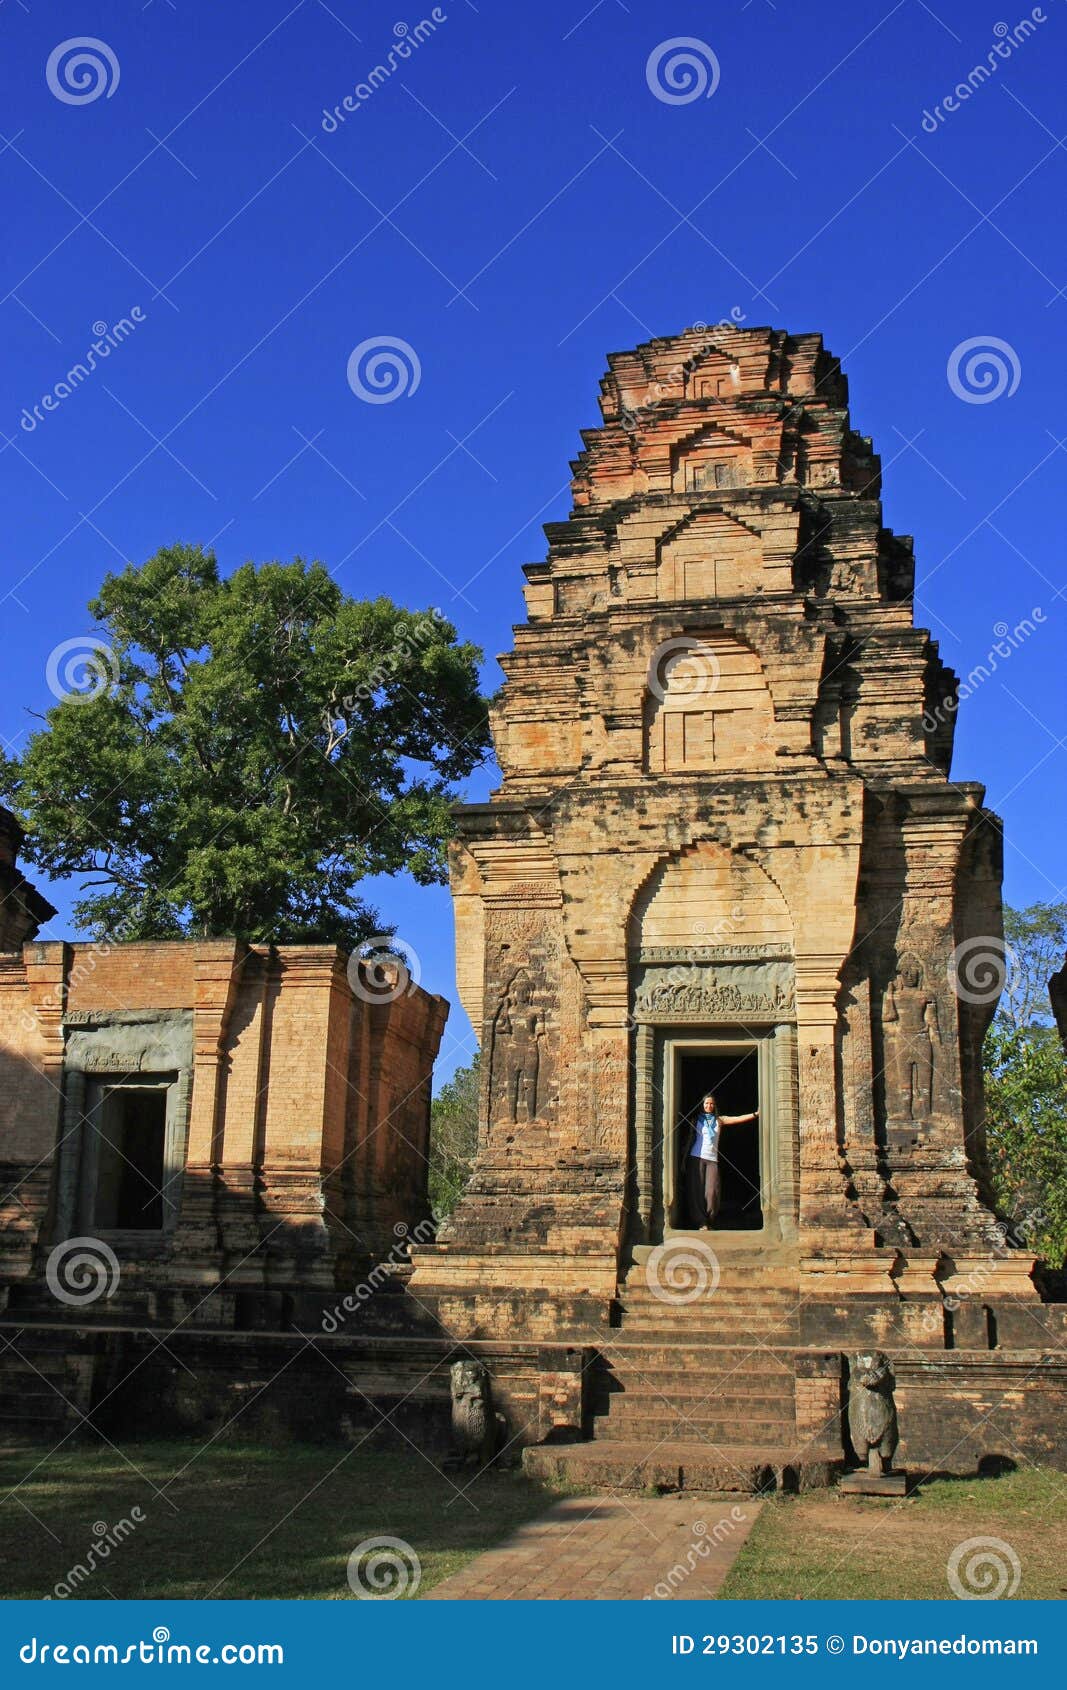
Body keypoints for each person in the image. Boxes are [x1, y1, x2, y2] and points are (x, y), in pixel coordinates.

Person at [684, 1091, 758, 1230]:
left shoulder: (719, 1120)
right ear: (702, 1105)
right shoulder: (695, 1120)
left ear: (714, 1105)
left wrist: (755, 1114)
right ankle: (701, 1222)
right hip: (696, 1158)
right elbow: (689, 1141)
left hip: (712, 1160)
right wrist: (683, 1161)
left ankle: (710, 1219)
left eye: (711, 1103)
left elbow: (737, 1119)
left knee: (712, 1192)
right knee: (697, 1190)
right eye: (706, 1103)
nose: (709, 1105)